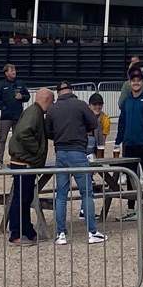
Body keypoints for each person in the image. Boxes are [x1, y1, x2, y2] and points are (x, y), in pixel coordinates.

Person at [45, 82, 107, 245]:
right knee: (86, 193)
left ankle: (61, 234)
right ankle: (92, 232)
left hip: (60, 152)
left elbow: (48, 132)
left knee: (61, 195)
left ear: (58, 92)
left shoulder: (52, 109)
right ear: (71, 91)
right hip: (78, 151)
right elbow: (93, 124)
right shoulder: (80, 105)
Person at [4, 87, 51, 246]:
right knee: (21, 198)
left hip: (26, 162)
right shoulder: (34, 113)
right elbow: (23, 133)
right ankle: (16, 233)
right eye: (52, 101)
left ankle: (28, 231)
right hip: (23, 162)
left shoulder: (35, 112)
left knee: (26, 198)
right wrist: (37, 149)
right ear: (47, 100)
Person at [115, 67, 143, 205]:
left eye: (138, 80)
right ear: (129, 83)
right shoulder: (126, 101)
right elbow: (122, 122)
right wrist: (118, 141)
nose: (136, 83)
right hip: (129, 144)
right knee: (130, 177)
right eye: (133, 80)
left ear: (142, 82)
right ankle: (131, 208)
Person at [0, 64, 30, 168]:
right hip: (6, 117)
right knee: (2, 139)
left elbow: (28, 96)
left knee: (17, 139)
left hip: (18, 116)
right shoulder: (1, 84)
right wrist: (4, 108)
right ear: (6, 72)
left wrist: (22, 96)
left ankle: (16, 160)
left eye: (14, 70)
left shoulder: (20, 83)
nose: (14, 72)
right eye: (11, 70)